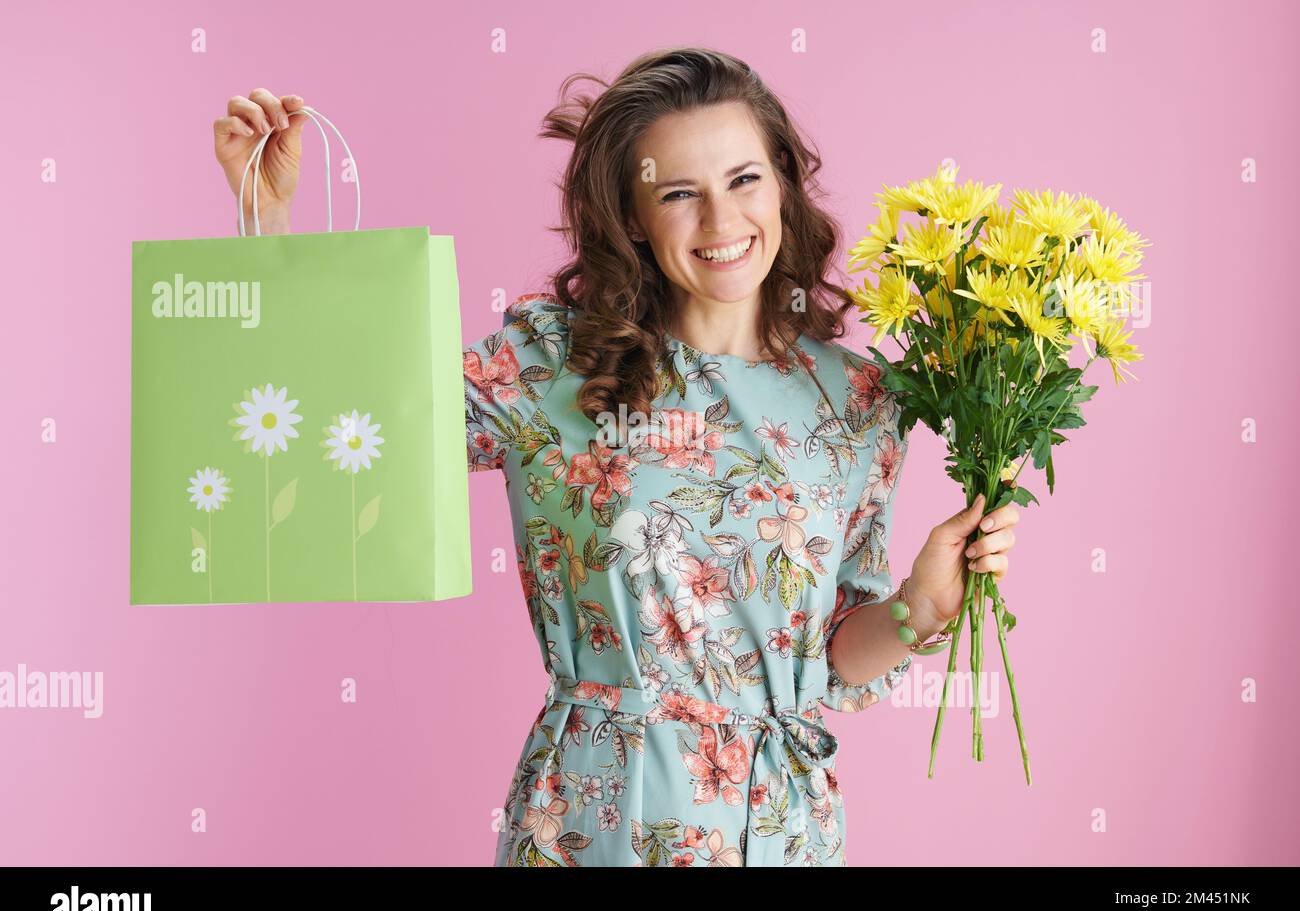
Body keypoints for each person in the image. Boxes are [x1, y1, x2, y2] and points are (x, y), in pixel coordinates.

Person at [211, 48, 1021, 867]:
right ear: (633, 216)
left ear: (781, 181)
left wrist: (924, 605)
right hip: (595, 818)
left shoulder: (859, 400)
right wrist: (268, 226)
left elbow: (838, 662)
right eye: (679, 194)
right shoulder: (550, 364)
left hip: (783, 829)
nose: (722, 221)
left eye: (744, 180)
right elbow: (352, 430)